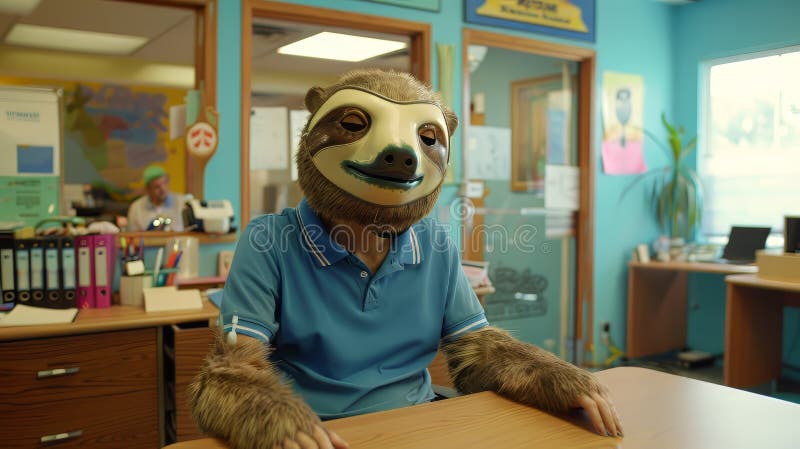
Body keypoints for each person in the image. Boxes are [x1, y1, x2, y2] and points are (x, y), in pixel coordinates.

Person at [189, 70, 622, 449]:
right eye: (355, 123)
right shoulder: (269, 239)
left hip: (419, 423)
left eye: (429, 138)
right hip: (316, 432)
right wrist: (272, 422)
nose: (399, 155)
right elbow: (231, 373)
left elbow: (477, 353)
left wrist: (551, 378)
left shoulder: (433, 241)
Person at [126, 164, 185, 231]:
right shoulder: (136, 208)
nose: (163, 189)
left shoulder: (183, 203)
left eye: (165, 183)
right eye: (157, 187)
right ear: (148, 189)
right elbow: (133, 236)